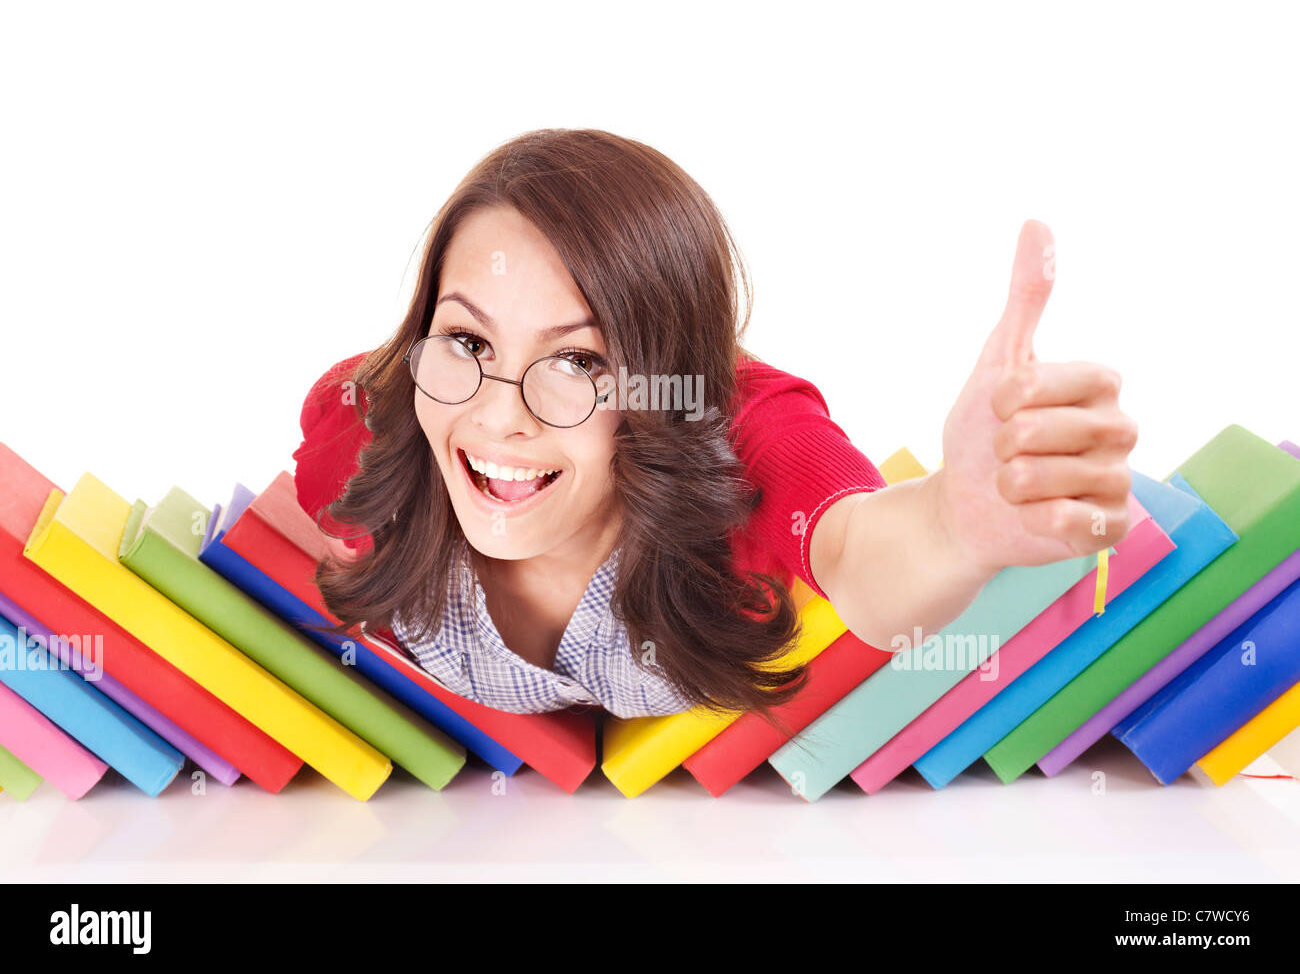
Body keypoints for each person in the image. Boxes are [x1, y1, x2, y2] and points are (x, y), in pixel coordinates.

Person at [292, 128, 1136, 731]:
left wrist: (953, 526)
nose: (499, 415)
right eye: (469, 339)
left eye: (582, 361)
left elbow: (857, 552)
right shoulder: (364, 419)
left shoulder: (746, 429)